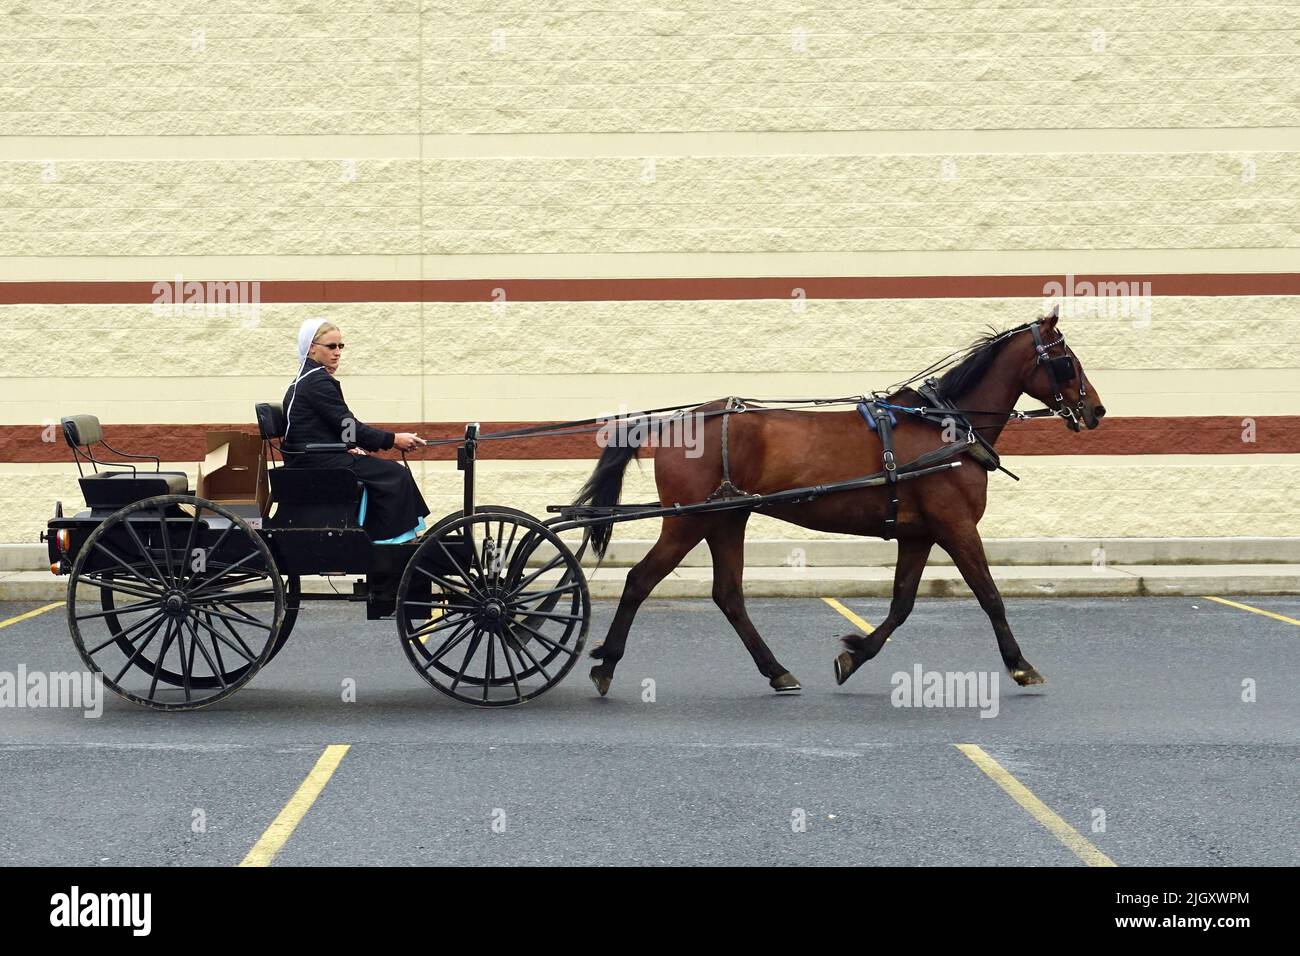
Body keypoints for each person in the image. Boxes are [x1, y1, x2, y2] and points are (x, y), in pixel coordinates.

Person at [282, 318, 430, 543]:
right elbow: (348, 425)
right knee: (394, 474)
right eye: (331, 346)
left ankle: (389, 536)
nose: (338, 352)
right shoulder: (316, 382)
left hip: (319, 456)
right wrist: (393, 439)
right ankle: (390, 543)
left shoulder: (309, 379)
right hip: (317, 461)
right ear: (312, 348)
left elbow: (340, 426)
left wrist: (350, 446)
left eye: (341, 346)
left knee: (389, 472)